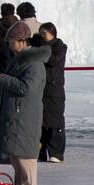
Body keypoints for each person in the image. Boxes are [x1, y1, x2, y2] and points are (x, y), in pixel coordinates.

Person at [0, 20, 49, 185]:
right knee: (16, 153)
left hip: (25, 114)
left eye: (10, 42)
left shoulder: (33, 63)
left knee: (25, 154)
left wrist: (1, 79)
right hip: (16, 113)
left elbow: (26, 88)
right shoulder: (19, 60)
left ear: (20, 41)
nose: (9, 46)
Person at [36, 22, 67, 163]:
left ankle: (56, 152)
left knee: (55, 121)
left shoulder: (60, 47)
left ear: (52, 33)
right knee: (40, 121)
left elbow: (52, 60)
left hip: (54, 89)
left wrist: (41, 47)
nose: (42, 36)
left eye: (44, 33)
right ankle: (39, 151)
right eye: (40, 33)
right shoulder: (40, 46)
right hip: (40, 88)